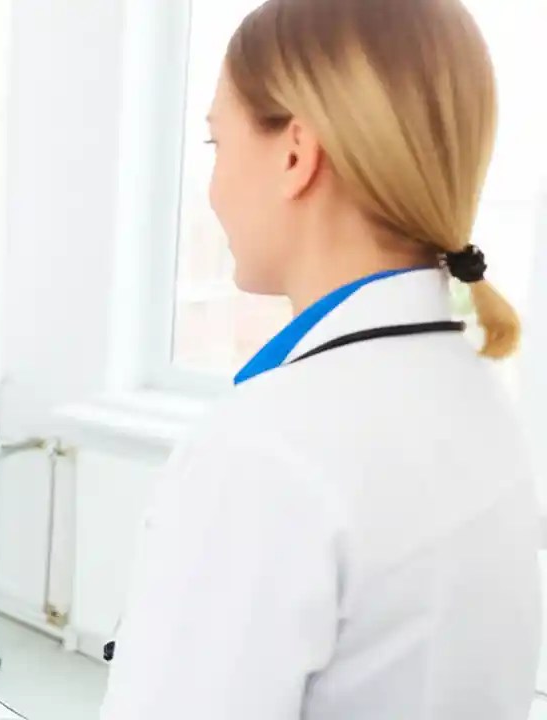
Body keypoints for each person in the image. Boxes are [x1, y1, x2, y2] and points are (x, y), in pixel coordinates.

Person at [100, 0, 541, 718]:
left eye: (216, 143)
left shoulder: (268, 449)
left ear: (296, 154)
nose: (211, 185)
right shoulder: (482, 401)